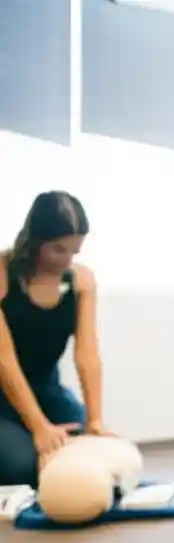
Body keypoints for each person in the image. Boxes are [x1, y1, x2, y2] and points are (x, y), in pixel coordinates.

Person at [0, 191, 112, 487]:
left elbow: (87, 356)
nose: (67, 260)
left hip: (46, 390)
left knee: (91, 455)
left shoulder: (82, 281)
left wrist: (95, 421)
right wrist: (39, 427)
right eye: (58, 250)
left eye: (75, 252)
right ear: (36, 241)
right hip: (2, 393)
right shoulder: (1, 274)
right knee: (19, 469)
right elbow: (4, 361)